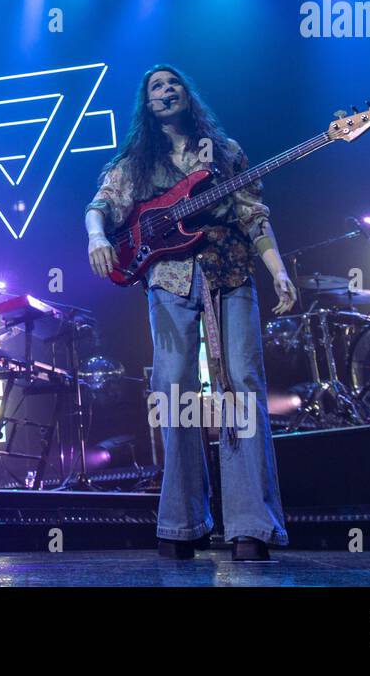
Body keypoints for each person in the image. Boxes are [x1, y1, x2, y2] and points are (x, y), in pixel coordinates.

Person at [85, 65, 295, 561]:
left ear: (187, 93)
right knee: (174, 390)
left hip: (230, 267)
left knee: (241, 385)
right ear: (147, 103)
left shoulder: (225, 151)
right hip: (168, 277)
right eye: (156, 86)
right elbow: (101, 204)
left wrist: (279, 271)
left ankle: (251, 526)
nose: (166, 90)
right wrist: (96, 236)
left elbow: (253, 214)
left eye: (173, 83)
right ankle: (182, 523)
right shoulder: (137, 160)